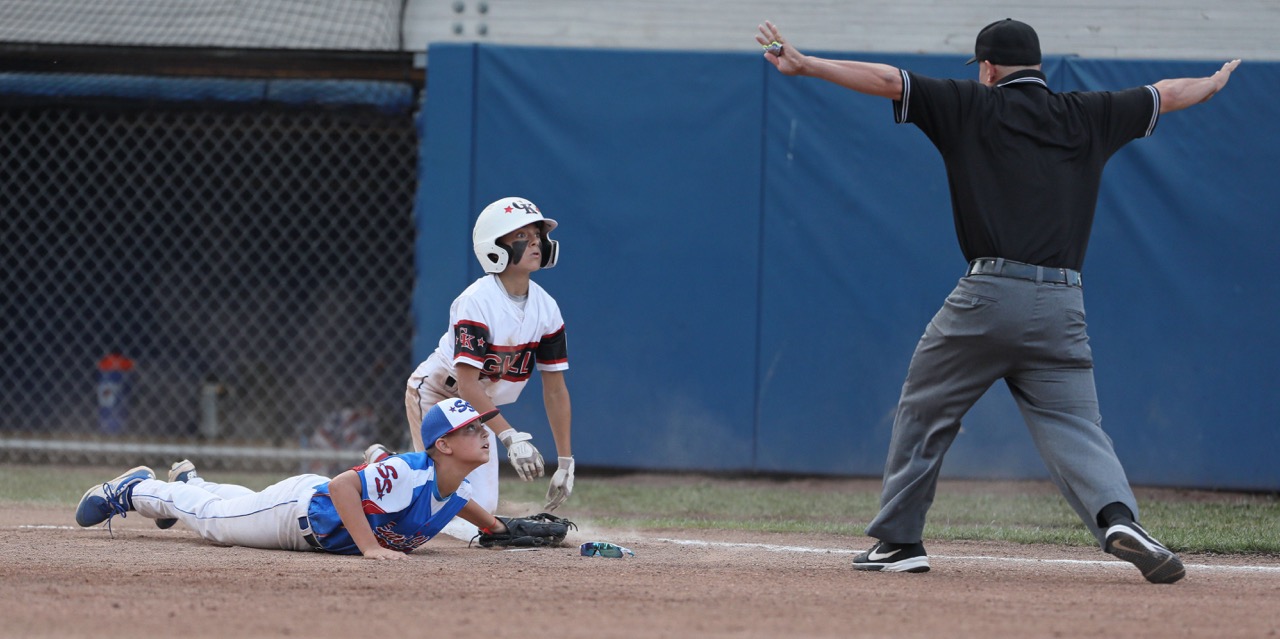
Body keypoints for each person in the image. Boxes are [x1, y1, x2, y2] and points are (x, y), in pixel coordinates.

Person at [757, 18, 1239, 583]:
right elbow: (1167, 93)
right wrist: (1212, 83)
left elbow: (889, 80)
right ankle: (1119, 519)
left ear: (988, 68)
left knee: (924, 405)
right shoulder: (1089, 113)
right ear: (1038, 65)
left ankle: (900, 541)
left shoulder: (969, 104)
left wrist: (807, 64)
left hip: (989, 295)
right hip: (1063, 305)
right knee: (1076, 426)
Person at [365, 196, 574, 537]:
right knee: (439, 507)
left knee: (481, 508)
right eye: (521, 236)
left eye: (537, 234)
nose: (536, 241)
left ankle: (395, 465)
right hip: (438, 394)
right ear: (495, 247)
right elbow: (467, 384)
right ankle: (386, 465)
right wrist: (510, 437)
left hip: (477, 410)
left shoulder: (546, 308)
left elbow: (555, 389)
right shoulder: (477, 301)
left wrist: (566, 460)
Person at [75, 398, 517, 559]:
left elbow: (458, 503)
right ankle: (136, 490)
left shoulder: (455, 486)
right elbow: (343, 486)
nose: (484, 434)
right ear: (443, 445)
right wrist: (370, 549)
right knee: (216, 522)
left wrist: (498, 529)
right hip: (299, 517)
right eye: (471, 430)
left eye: (482, 426)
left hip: (306, 511)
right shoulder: (409, 470)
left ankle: (189, 483)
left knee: (241, 505)